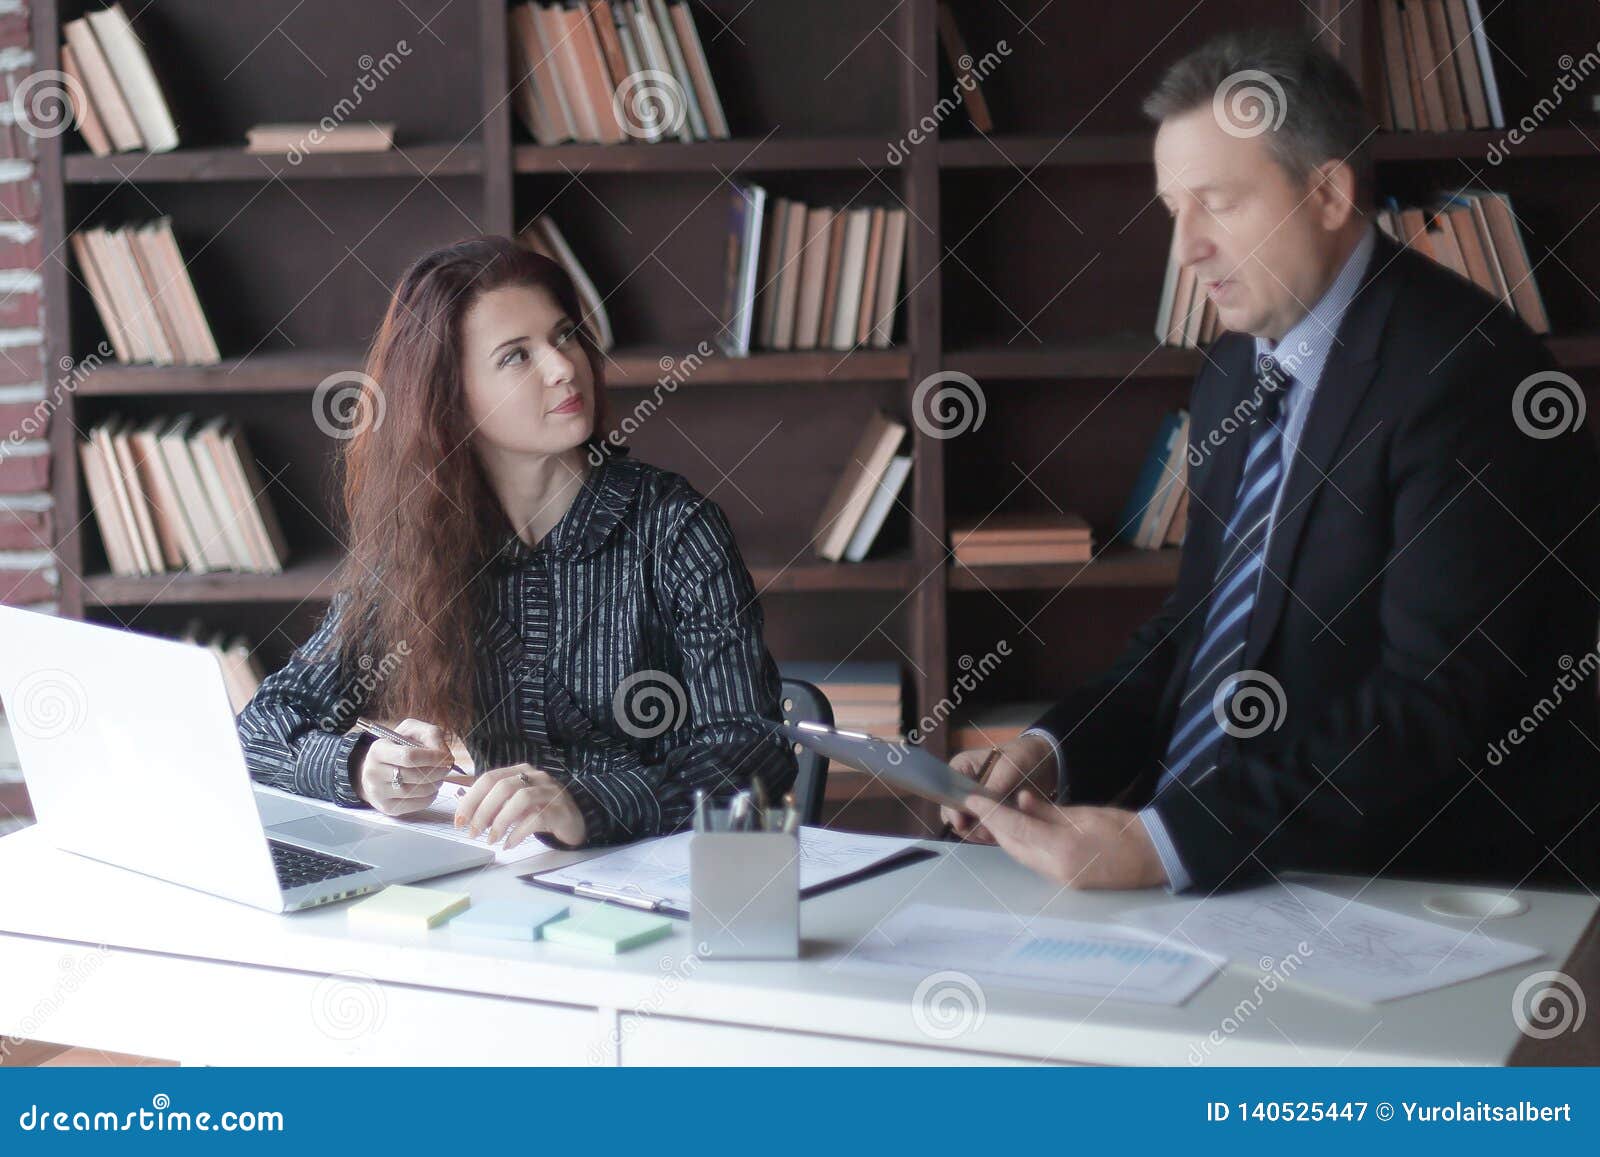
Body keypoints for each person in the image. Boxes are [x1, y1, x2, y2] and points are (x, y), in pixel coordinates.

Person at [943, 30, 1600, 894]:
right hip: (1227, 874)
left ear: (1327, 193)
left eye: (1217, 201)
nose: (1186, 249)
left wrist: (1168, 846)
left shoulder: (1468, 377)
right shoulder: (1234, 368)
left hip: (1402, 891)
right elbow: (1198, 626)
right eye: (1173, 208)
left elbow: (1430, 705)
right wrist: (1056, 749)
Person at [237, 235, 795, 851]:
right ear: (450, 398)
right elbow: (259, 731)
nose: (563, 367)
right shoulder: (421, 544)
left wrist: (586, 804)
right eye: (516, 356)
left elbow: (753, 751)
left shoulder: (674, 528)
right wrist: (362, 765)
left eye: (563, 336)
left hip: (672, 885)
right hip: (508, 889)